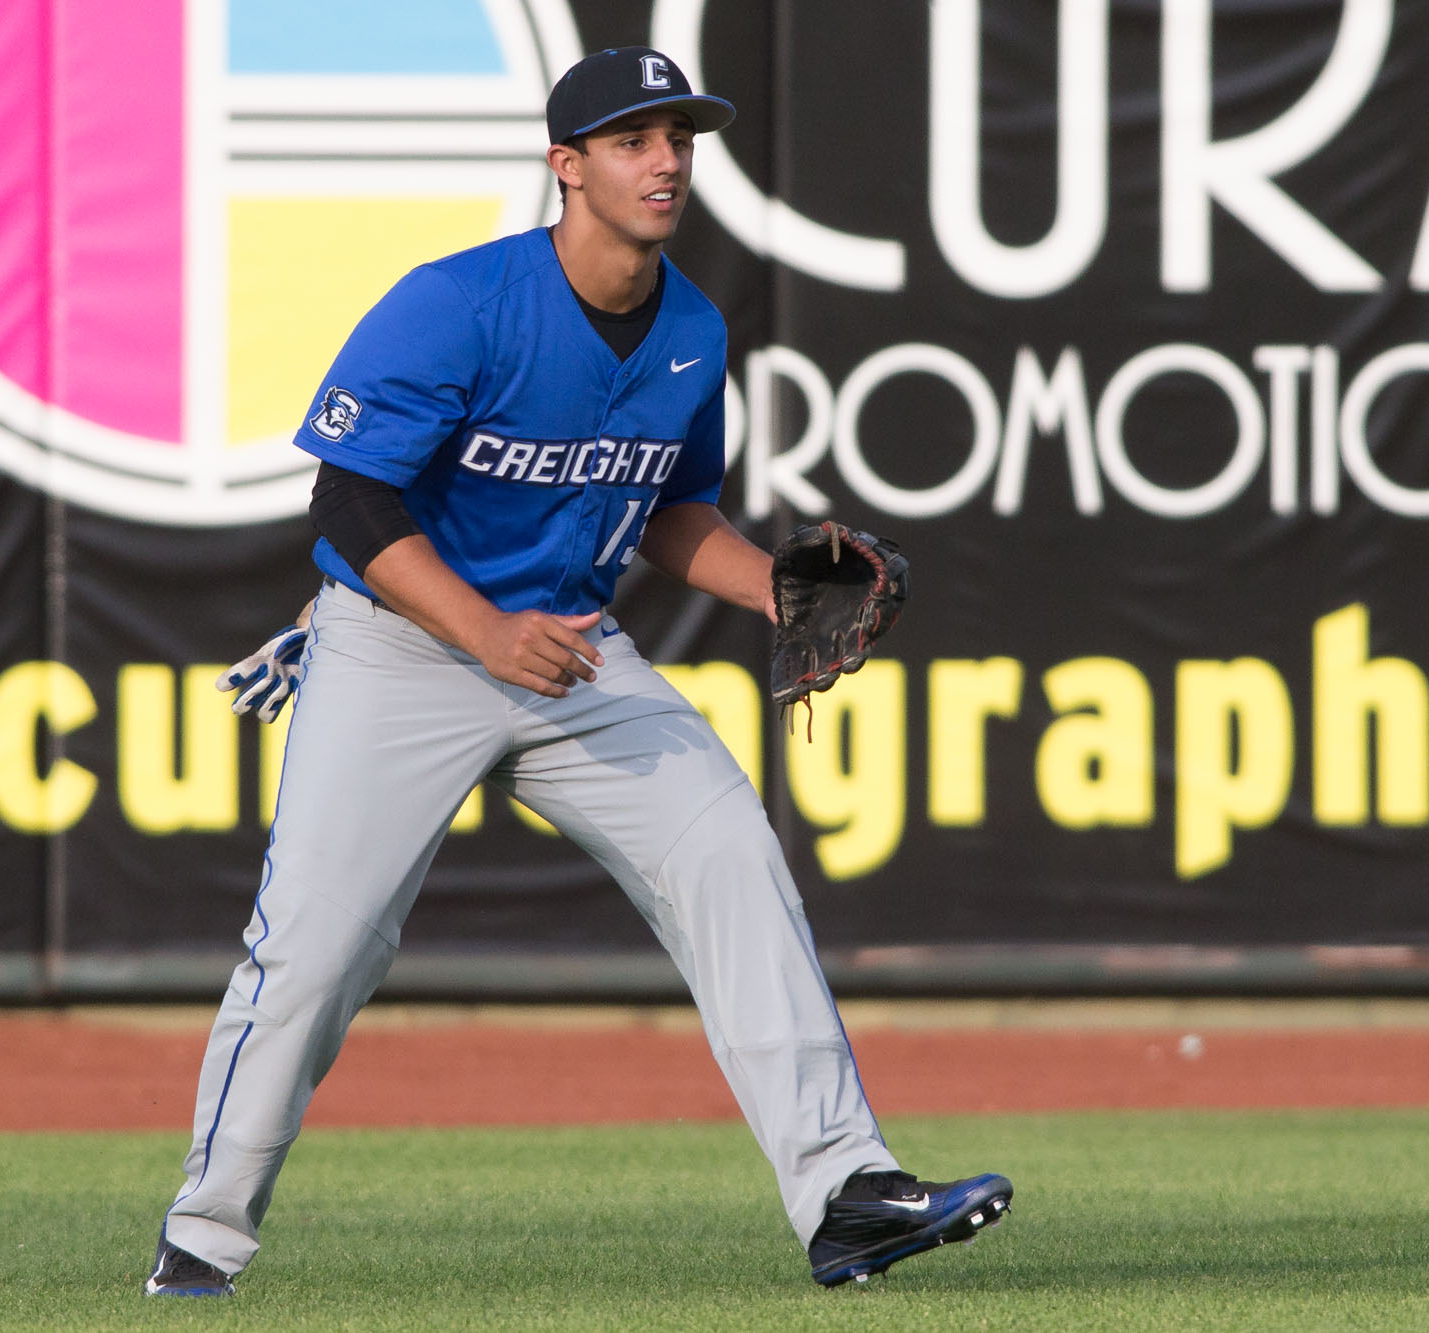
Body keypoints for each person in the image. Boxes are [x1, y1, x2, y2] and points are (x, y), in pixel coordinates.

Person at [144, 45, 1011, 1296]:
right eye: (631, 140)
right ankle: (202, 1239)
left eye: (679, 139)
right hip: (402, 647)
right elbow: (349, 500)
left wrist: (771, 585)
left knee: (731, 858)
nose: (666, 162)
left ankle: (845, 1193)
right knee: (318, 953)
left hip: (574, 653)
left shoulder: (691, 327)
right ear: (566, 165)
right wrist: (481, 631)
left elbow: (670, 509)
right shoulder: (459, 303)